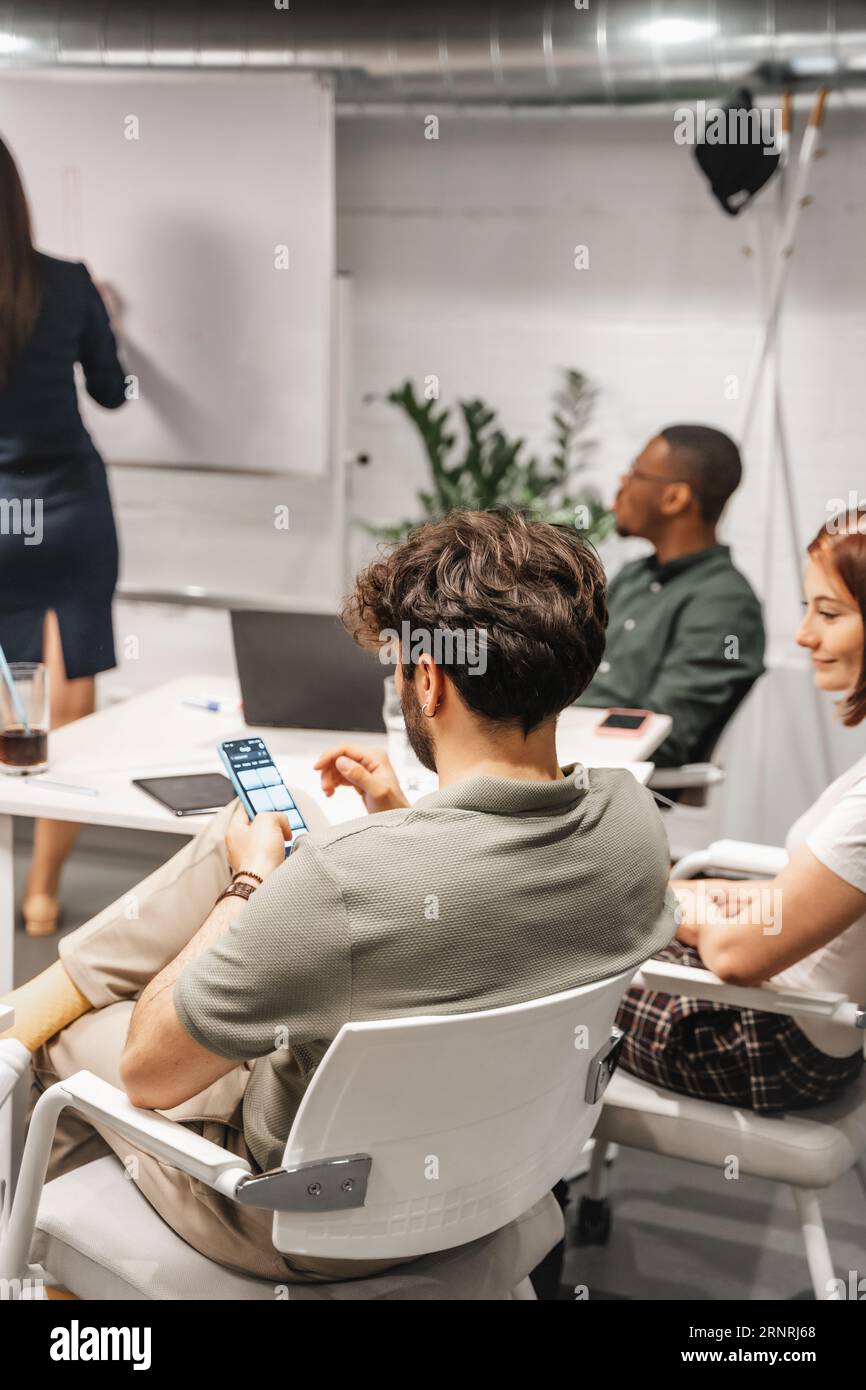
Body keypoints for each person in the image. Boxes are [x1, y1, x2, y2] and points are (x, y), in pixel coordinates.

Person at [0, 509, 677, 1284]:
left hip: (299, 1222)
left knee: (66, 1045)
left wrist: (251, 885)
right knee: (254, 826)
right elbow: (489, 918)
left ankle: (34, 1252)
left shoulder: (342, 879)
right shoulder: (631, 824)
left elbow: (151, 1074)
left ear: (428, 680)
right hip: (494, 1182)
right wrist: (400, 823)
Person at [617, 503, 866, 1110]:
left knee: (536, 964)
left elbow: (736, 955)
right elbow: (811, 904)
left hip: (761, 1042)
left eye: (828, 613)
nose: (805, 635)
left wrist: (665, 902)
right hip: (804, 1019)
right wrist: (705, 900)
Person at [0, 133, 127, 936]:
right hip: (71, 513)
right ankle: (42, 893)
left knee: (8, 710)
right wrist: (100, 316)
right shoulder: (69, 283)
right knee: (69, 719)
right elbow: (111, 393)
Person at [576, 424, 766, 768]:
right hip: (558, 753)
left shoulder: (724, 603)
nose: (622, 484)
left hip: (599, 781)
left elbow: (663, 735)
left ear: (674, 498)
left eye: (635, 472)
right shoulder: (633, 576)